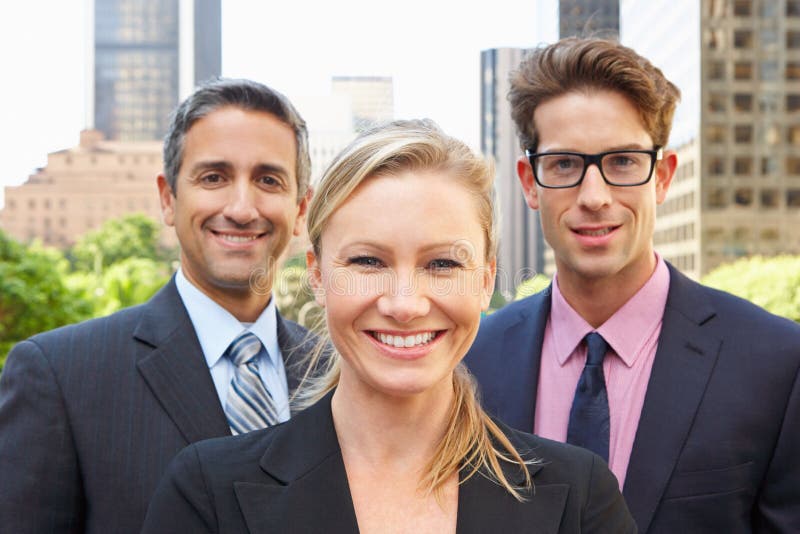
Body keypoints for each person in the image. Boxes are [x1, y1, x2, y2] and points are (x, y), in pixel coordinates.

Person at [140, 119, 636, 533]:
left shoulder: (579, 498)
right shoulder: (208, 493)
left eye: (441, 264)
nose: (404, 304)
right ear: (317, 274)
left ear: (486, 281)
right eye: (368, 261)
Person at [464, 37, 800, 533]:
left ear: (662, 177)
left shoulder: (776, 361)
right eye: (564, 165)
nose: (594, 196)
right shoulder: (470, 361)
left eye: (622, 162)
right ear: (530, 183)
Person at [0, 79, 316, 533]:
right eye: (214, 178)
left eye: (268, 180)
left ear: (301, 209)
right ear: (168, 198)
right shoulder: (60, 376)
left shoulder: (336, 374)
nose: (243, 208)